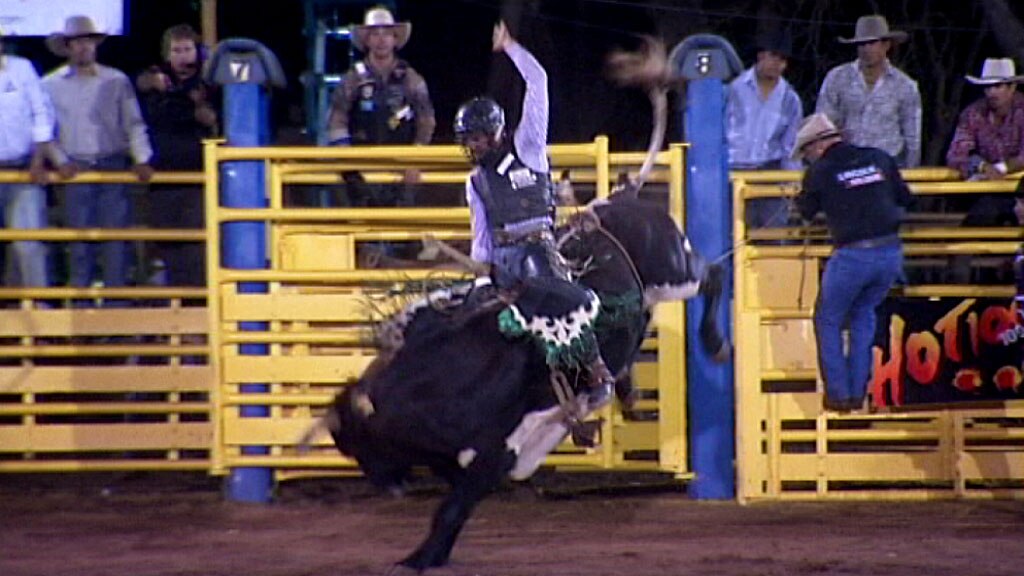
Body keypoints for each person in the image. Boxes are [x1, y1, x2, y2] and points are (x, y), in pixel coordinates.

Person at [457, 21, 614, 410]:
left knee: (558, 295)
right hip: (505, 260)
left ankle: (598, 373)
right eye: (469, 139)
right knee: (472, 314)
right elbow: (482, 239)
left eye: (479, 137)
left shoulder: (528, 147)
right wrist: (482, 273)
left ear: (496, 133)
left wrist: (510, 47)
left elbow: (538, 82)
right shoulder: (475, 182)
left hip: (538, 247)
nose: (474, 145)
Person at [794, 113, 912, 413]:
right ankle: (858, 390)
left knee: (828, 319)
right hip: (889, 251)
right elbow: (905, 198)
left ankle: (838, 393)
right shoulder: (879, 158)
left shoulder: (821, 171)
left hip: (853, 254)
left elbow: (806, 210)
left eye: (806, 153)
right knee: (864, 314)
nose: (807, 159)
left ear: (817, 147)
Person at [42, 15, 154, 296]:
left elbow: (133, 122)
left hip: (112, 165)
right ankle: (80, 311)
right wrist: (61, 161)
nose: (83, 47)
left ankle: (117, 309)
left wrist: (142, 158)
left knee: (116, 241)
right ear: (67, 47)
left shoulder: (116, 80)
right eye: (77, 42)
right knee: (79, 243)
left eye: (88, 41)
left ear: (95, 45)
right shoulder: (50, 85)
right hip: (75, 168)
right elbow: (45, 129)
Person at [325, 6, 435, 208]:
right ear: (367, 40)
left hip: (401, 169)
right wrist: (349, 166)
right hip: (362, 169)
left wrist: (415, 160)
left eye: (387, 34)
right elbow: (336, 121)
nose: (381, 39)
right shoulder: (353, 79)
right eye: (375, 34)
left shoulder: (411, 78)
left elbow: (426, 121)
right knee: (363, 232)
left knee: (402, 230)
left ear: (395, 39)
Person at [137, 24, 217, 287]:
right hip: (163, 177)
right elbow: (154, 116)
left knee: (197, 245)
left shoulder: (210, 82)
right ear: (167, 54)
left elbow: (217, 119)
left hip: (198, 177)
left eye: (187, 49)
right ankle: (174, 306)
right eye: (176, 50)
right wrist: (192, 112)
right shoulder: (154, 82)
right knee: (167, 245)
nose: (183, 56)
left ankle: (196, 306)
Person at [816, 15, 922, 168]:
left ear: (886, 45)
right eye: (861, 44)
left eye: (872, 43)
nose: (866, 49)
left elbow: (912, 138)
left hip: (887, 166)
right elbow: (823, 124)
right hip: (845, 164)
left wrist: (909, 175)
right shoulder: (837, 78)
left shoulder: (905, 86)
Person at [726, 28, 804, 228]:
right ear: (761, 55)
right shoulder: (733, 89)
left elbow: (791, 145)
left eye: (782, 60)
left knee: (772, 231)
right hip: (734, 170)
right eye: (773, 57)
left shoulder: (789, 99)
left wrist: (792, 182)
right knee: (732, 230)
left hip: (770, 171)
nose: (777, 64)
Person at [0, 27, 57, 289]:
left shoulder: (22, 69)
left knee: (29, 244)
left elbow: (41, 111)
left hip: (23, 169)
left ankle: (37, 307)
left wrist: (39, 156)